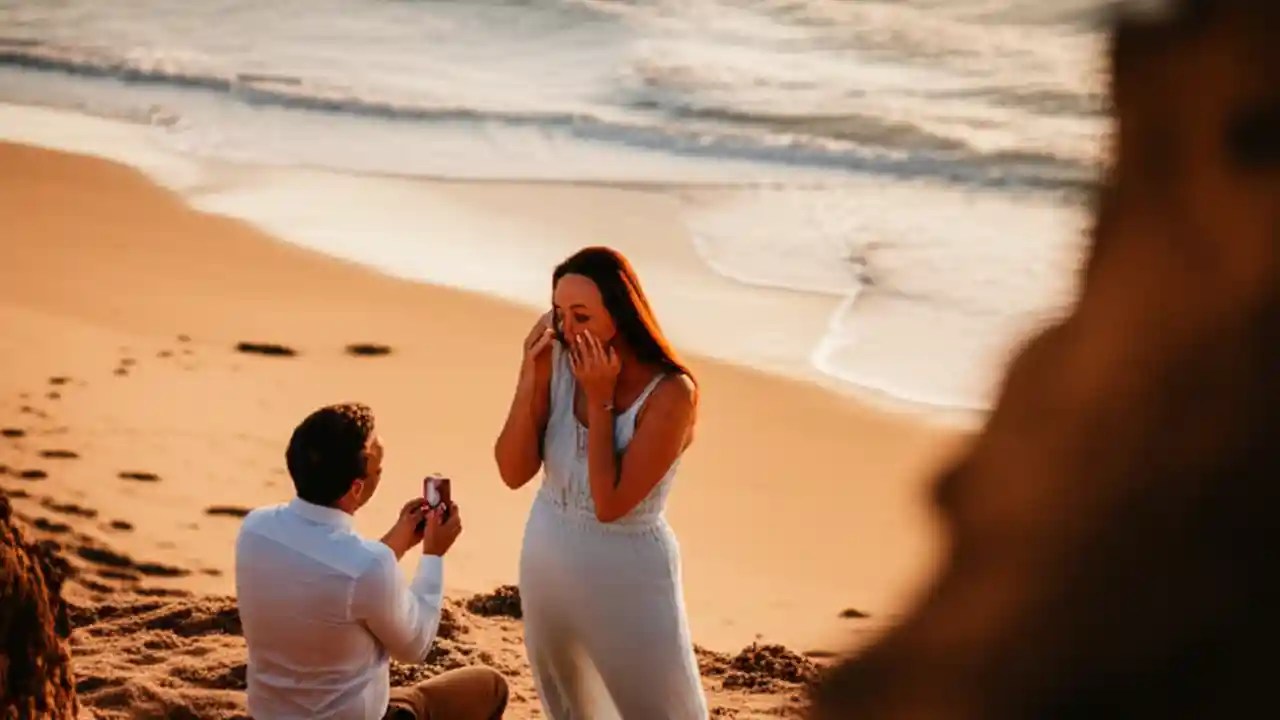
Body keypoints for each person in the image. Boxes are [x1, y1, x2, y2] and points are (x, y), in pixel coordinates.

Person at [494, 246, 707, 718]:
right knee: (569, 704)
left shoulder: (672, 393)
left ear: (622, 313)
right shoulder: (559, 358)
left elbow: (611, 504)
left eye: (582, 316)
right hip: (547, 552)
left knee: (656, 707)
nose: (567, 330)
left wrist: (600, 400)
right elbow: (512, 472)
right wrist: (530, 375)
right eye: (559, 314)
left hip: (626, 570)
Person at [236, 403, 508, 720]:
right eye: (377, 471)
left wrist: (398, 541)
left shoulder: (256, 528)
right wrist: (433, 554)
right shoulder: (367, 567)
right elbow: (415, 647)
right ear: (356, 488)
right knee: (489, 686)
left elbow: (336, 576)